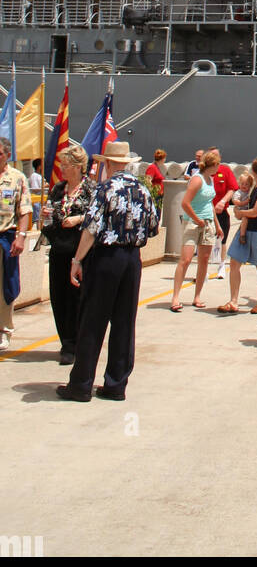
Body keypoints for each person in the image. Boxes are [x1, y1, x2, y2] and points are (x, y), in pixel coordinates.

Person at [57, 140, 159, 401]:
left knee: (93, 319)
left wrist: (77, 260)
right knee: (124, 322)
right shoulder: (142, 190)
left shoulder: (105, 189)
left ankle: (81, 384)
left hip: (106, 257)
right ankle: (116, 383)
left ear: (109, 164)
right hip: (131, 259)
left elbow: (91, 229)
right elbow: (153, 227)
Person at [41, 145, 95, 364]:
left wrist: (78, 219)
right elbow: (47, 221)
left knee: (77, 299)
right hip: (58, 251)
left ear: (77, 166)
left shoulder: (90, 189)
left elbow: (95, 216)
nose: (62, 169)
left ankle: (75, 344)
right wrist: (45, 215)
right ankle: (65, 340)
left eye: (65, 165)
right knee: (59, 297)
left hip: (79, 252)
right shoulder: (58, 189)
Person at [220, 158, 257, 315]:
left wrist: (240, 212)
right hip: (247, 230)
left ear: (253, 170)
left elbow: (256, 211)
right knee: (234, 262)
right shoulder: (254, 187)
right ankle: (233, 301)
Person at [170, 149, 220, 312]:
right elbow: (185, 203)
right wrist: (196, 219)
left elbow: (210, 203)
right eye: (217, 164)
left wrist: (217, 225)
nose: (219, 167)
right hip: (193, 222)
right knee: (185, 259)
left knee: (204, 260)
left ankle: (197, 296)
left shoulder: (210, 180)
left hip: (207, 223)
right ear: (211, 165)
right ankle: (175, 297)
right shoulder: (197, 180)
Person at [0, 135, 32, 353]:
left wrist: (20, 236)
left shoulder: (17, 178)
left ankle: (4, 330)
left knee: (5, 287)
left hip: (6, 237)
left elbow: (25, 209)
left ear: (7, 155)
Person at [209, 148, 237, 279]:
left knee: (222, 240)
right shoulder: (204, 172)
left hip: (221, 212)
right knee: (205, 241)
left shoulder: (225, 170)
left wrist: (223, 201)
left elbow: (232, 188)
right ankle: (205, 268)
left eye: (216, 155)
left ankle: (221, 266)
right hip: (207, 213)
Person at [145, 149, 166, 220]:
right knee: (155, 216)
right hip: (155, 196)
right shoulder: (152, 167)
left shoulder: (156, 167)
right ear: (162, 159)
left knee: (158, 216)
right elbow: (148, 181)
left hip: (159, 196)